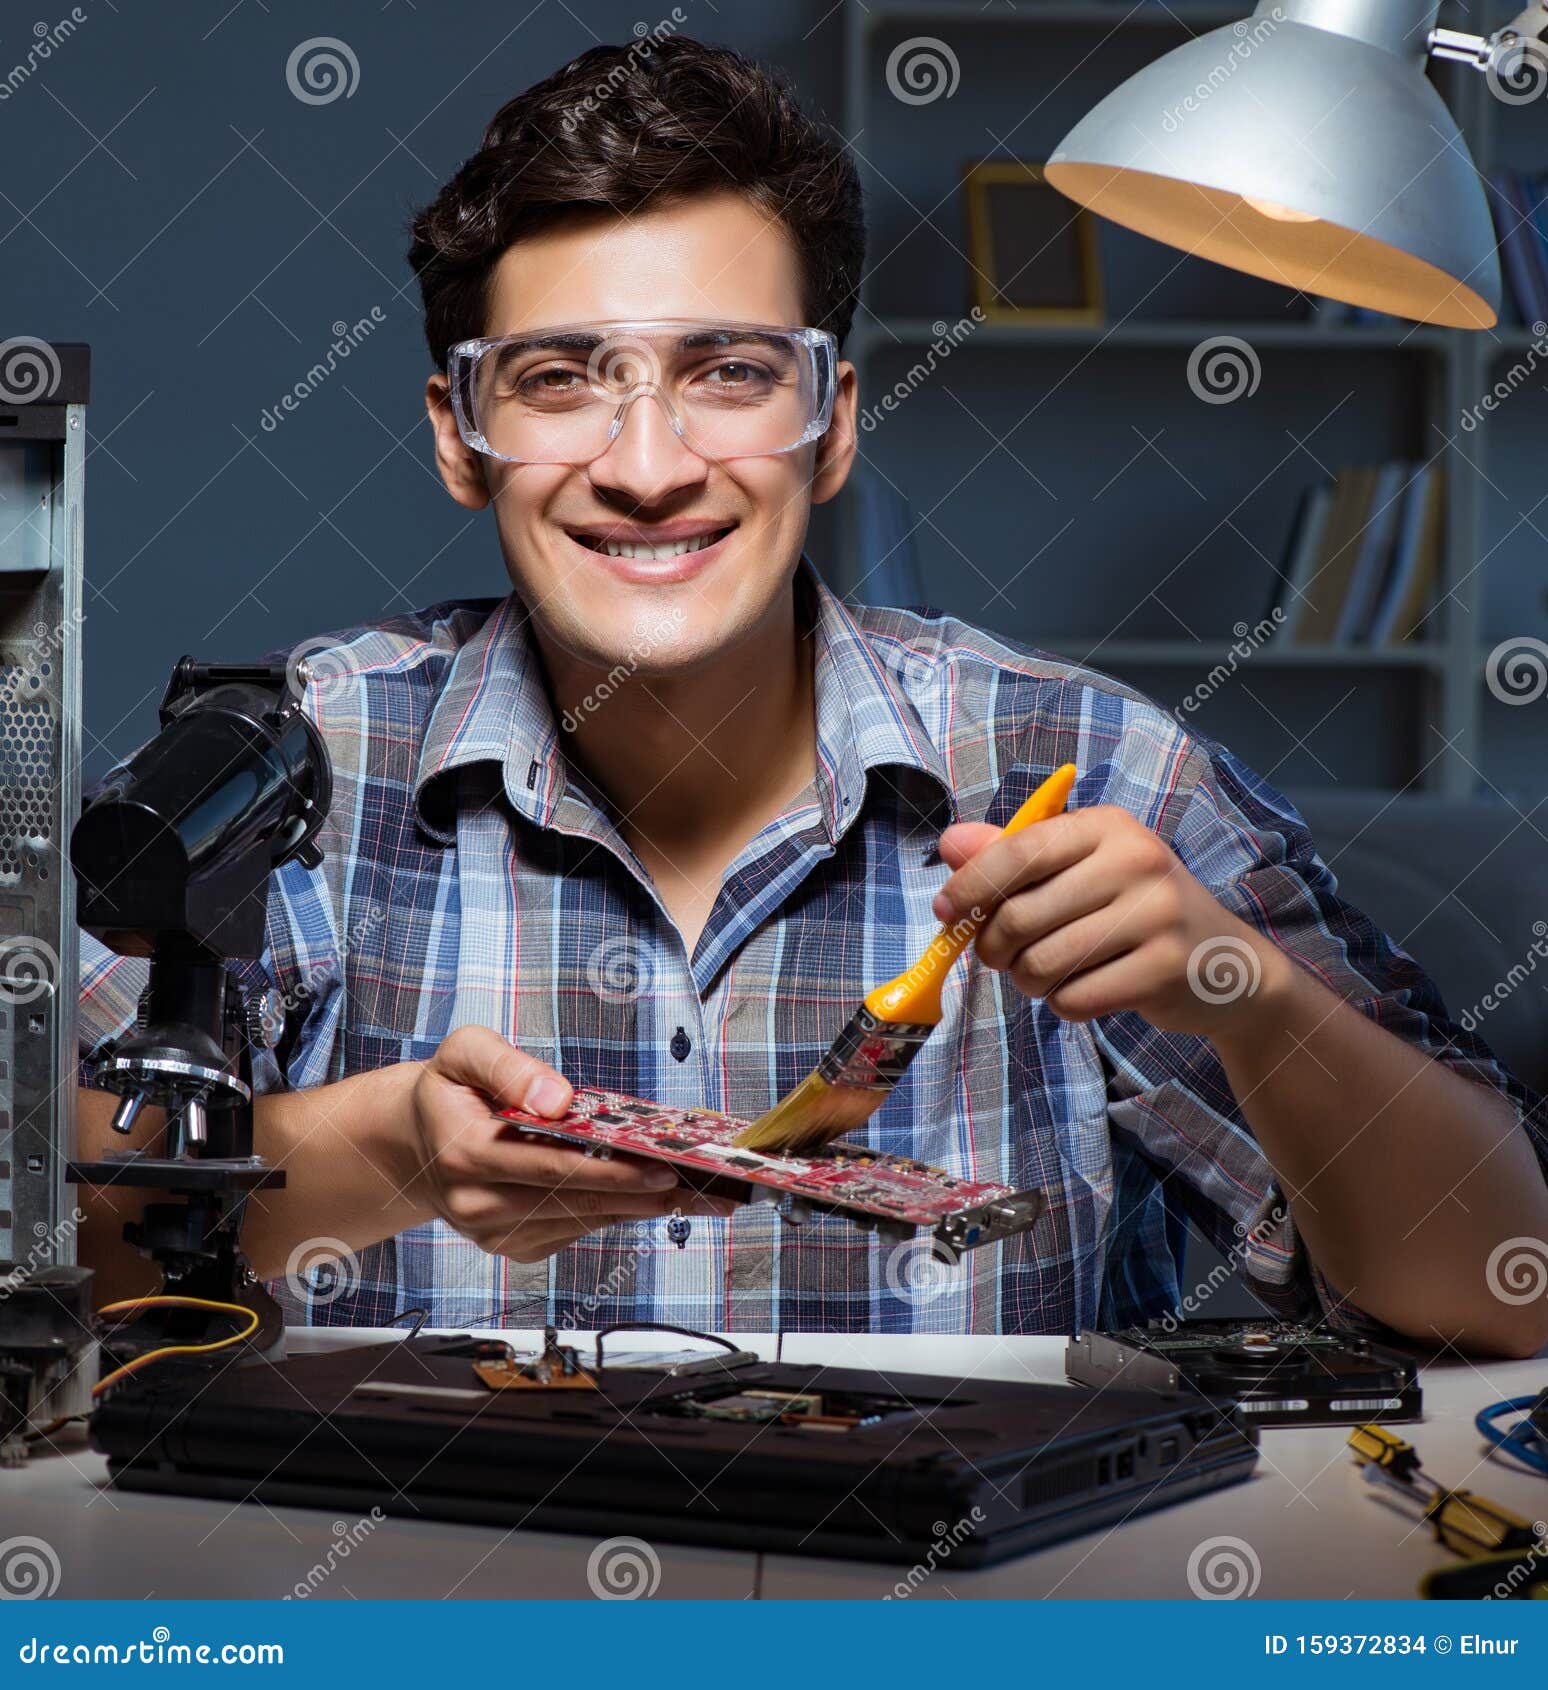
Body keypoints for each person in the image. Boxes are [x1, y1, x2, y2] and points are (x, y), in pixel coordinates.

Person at [77, 37, 1548, 1353]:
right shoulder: (287, 761)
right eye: (560, 379)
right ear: (462, 436)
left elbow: (1506, 1282)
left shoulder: (1089, 762)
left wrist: (1248, 994)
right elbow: (45, 1260)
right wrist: (390, 1149)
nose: (648, 464)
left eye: (729, 372)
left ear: (831, 425)